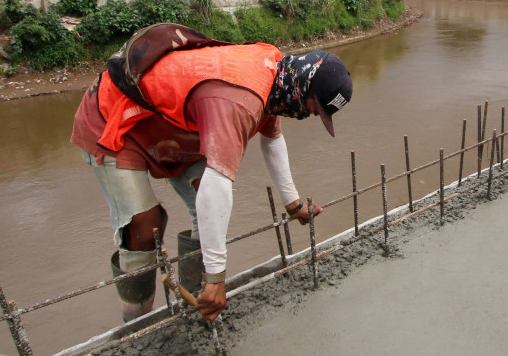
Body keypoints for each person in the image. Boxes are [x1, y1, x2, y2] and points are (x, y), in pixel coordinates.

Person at [71, 26, 352, 322]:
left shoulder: (277, 78)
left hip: (172, 126)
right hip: (116, 118)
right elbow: (216, 184)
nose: (309, 115)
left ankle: (195, 304)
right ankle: (136, 323)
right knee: (145, 225)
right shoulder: (240, 99)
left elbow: (272, 140)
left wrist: (293, 204)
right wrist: (218, 278)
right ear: (303, 87)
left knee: (203, 207)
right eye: (314, 108)